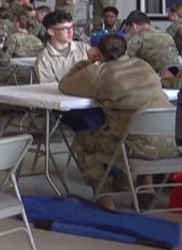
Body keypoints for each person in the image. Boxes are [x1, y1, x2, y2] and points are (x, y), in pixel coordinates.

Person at [60, 34, 179, 210]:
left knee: (82, 141)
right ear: (126, 50)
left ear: (99, 54)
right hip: (171, 145)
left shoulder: (98, 74)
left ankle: (104, 196)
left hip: (132, 147)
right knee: (140, 131)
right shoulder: (144, 66)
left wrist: (87, 62)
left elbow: (65, 85)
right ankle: (146, 187)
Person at [34, 10, 89, 83]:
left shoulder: (85, 49)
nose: (70, 32)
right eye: (65, 29)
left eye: (71, 27)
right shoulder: (44, 60)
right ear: (51, 32)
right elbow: (48, 88)